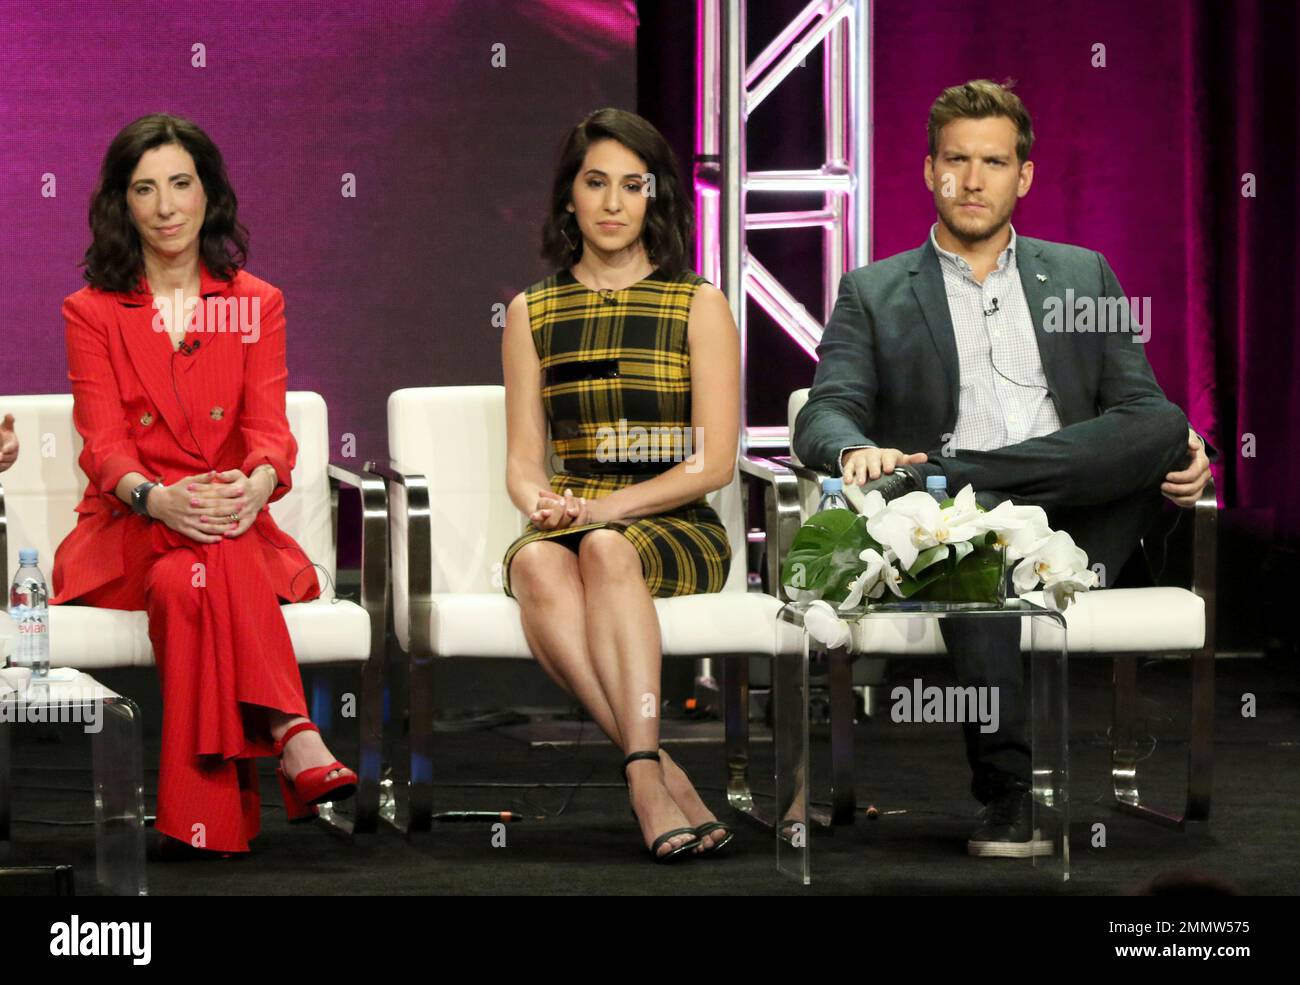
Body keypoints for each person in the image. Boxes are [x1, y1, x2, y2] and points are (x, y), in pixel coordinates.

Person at [794, 80, 1214, 857]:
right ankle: (1008, 794)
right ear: (928, 170)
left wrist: (1189, 455)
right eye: (956, 160)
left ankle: (959, 477)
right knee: (975, 551)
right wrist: (854, 450)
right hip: (957, 532)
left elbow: (1143, 413)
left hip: (1077, 520)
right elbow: (825, 412)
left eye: (994, 161)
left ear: (1024, 174)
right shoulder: (876, 291)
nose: (973, 180)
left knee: (1166, 424)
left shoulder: (1083, 276)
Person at [49, 113, 356, 856]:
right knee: (205, 550)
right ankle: (293, 731)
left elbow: (269, 430)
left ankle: (204, 823)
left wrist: (255, 485)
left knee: (193, 580)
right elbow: (105, 446)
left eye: (180, 184)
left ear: (207, 192)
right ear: (121, 204)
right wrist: (157, 498)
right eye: (144, 189)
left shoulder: (257, 301)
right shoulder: (92, 311)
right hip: (128, 525)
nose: (165, 206)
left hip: (226, 521)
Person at [500, 108, 742, 862]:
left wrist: (605, 508)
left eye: (630, 185)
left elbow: (714, 462)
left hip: (675, 522)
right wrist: (538, 500)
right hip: (570, 518)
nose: (611, 203)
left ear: (655, 197)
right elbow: (521, 458)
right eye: (594, 182)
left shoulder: (698, 303)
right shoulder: (531, 311)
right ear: (569, 197)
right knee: (536, 558)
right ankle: (656, 764)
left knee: (604, 547)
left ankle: (639, 773)